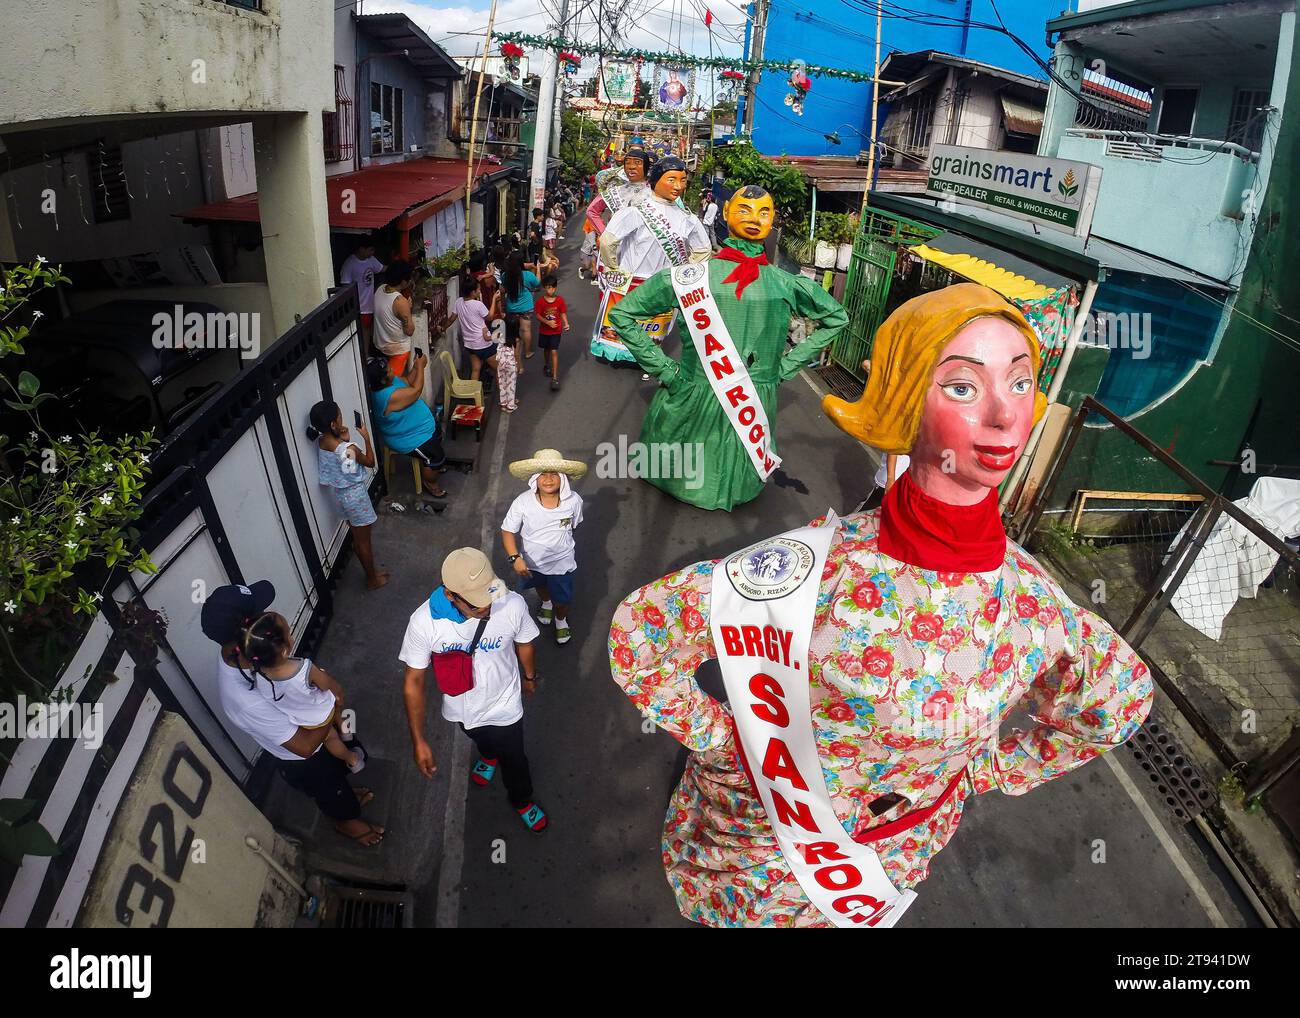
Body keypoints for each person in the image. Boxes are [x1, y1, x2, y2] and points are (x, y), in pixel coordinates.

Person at [608, 282, 1155, 927]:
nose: (1005, 416)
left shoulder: (1034, 603)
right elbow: (642, 636)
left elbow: (1119, 697)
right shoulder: (819, 567)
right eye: (962, 386)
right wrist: (725, 740)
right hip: (757, 859)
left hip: (883, 870)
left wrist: (991, 769)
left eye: (1021, 382)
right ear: (906, 400)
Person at [608, 184, 846, 510]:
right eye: (745, 210)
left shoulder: (783, 283)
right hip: (731, 392)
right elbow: (837, 319)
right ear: (725, 213)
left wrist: (665, 369)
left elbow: (622, 315)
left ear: (773, 219)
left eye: (764, 212)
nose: (754, 218)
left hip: (711, 391)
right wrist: (784, 368)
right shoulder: (691, 277)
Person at [203, 582, 385, 846]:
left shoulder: (259, 655)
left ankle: (344, 795)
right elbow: (303, 746)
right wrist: (330, 707)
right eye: (258, 616)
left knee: (338, 778)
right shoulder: (244, 698)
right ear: (242, 637)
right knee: (329, 790)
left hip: (314, 733)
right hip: (304, 758)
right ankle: (346, 823)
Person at [401, 547, 548, 831]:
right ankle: (489, 755)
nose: (488, 606)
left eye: (489, 596)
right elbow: (413, 682)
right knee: (480, 738)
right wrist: (418, 740)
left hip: (505, 704)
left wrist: (529, 678)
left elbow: (525, 642)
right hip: (461, 708)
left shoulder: (511, 604)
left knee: (515, 758)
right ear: (450, 595)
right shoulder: (423, 623)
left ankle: (522, 800)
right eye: (477, 604)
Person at [594, 155, 711, 368]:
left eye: (683, 180)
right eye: (672, 179)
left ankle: (644, 359)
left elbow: (703, 250)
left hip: (661, 285)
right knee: (627, 324)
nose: (678, 186)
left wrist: (685, 273)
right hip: (633, 282)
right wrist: (613, 268)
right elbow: (608, 241)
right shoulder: (636, 210)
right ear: (656, 179)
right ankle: (625, 357)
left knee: (651, 325)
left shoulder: (688, 218)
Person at [230, 611, 363, 771]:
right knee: (334, 708)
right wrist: (336, 691)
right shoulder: (304, 668)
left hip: (304, 723)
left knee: (330, 740)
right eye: (290, 633)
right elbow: (328, 685)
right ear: (285, 650)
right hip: (323, 710)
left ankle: (353, 762)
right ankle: (348, 740)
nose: (292, 636)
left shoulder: (257, 677)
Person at [500, 449, 586, 646]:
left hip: (562, 564)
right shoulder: (523, 502)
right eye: (543, 475)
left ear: (563, 479)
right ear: (535, 480)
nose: (548, 479)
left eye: (554, 474)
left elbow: (574, 525)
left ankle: (561, 620)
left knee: (562, 601)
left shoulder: (574, 501)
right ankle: (546, 603)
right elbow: (507, 530)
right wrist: (515, 558)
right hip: (531, 562)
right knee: (540, 585)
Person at [306, 400, 388, 589]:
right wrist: (365, 438)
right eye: (339, 416)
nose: (342, 419)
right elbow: (369, 462)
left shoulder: (322, 441)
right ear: (334, 424)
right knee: (364, 541)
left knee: (357, 536)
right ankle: (371, 579)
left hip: (341, 497)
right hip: (356, 497)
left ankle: (371, 573)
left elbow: (344, 466)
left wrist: (343, 439)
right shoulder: (349, 449)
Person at [366, 353, 449, 500]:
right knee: (436, 456)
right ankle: (430, 482)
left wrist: (415, 367)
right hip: (409, 438)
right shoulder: (386, 396)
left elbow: (407, 381)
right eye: (390, 371)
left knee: (438, 437)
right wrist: (421, 367)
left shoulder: (389, 382)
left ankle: (434, 467)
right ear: (383, 380)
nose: (393, 371)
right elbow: (416, 391)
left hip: (423, 428)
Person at [373, 260, 416, 376]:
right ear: (403, 282)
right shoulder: (400, 302)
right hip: (398, 349)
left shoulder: (380, 289)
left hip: (380, 345)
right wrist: (408, 308)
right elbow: (409, 330)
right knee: (392, 384)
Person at [339, 239, 384, 344]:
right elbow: (345, 286)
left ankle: (368, 356)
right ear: (361, 249)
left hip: (370, 306)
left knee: (368, 331)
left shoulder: (371, 260)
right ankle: (365, 357)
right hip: (359, 307)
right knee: (361, 333)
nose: (372, 253)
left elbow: (382, 268)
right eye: (370, 250)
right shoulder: (350, 263)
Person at [454, 275, 496, 384]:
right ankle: (505, 398)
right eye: (478, 289)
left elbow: (451, 319)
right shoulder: (478, 305)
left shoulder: (458, 302)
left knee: (475, 369)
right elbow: (490, 317)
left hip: (469, 344)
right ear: (473, 292)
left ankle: (474, 398)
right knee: (499, 369)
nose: (479, 291)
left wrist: (442, 328)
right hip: (483, 343)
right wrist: (494, 300)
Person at [502, 250, 540, 364]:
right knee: (526, 329)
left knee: (513, 332)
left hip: (511, 307)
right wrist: (537, 268)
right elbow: (537, 283)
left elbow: (504, 288)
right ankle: (527, 352)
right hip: (526, 307)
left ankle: (513, 352)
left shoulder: (505, 276)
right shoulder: (527, 275)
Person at [534, 274, 570, 391]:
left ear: (556, 287)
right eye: (548, 287)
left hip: (556, 331)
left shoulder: (560, 301)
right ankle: (546, 364)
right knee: (546, 349)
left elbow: (563, 312)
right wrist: (547, 322)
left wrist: (566, 323)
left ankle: (555, 378)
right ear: (544, 288)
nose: (551, 290)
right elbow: (538, 315)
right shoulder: (540, 302)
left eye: (553, 287)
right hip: (544, 331)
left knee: (554, 351)